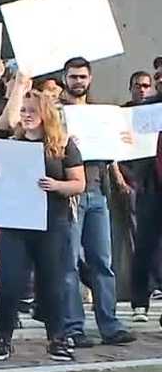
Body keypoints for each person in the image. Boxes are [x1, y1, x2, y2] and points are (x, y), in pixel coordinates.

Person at [0, 71, 85, 361]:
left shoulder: (63, 146)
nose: (26, 115)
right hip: (15, 223)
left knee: (52, 281)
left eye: (32, 111)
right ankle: (3, 339)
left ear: (45, 114)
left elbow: (78, 183)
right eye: (23, 111)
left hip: (51, 223)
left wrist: (57, 186)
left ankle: (57, 337)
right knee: (9, 283)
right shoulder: (11, 143)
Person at [57, 57, 134, 347]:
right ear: (65, 78)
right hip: (71, 196)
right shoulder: (57, 114)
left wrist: (125, 143)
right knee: (69, 264)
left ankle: (110, 325)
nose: (78, 81)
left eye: (82, 77)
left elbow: (114, 151)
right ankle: (73, 327)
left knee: (103, 262)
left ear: (90, 79)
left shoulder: (102, 113)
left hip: (99, 193)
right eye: (73, 76)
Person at [122, 71, 159, 323]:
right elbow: (129, 145)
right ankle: (139, 302)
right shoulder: (146, 109)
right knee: (144, 245)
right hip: (151, 186)